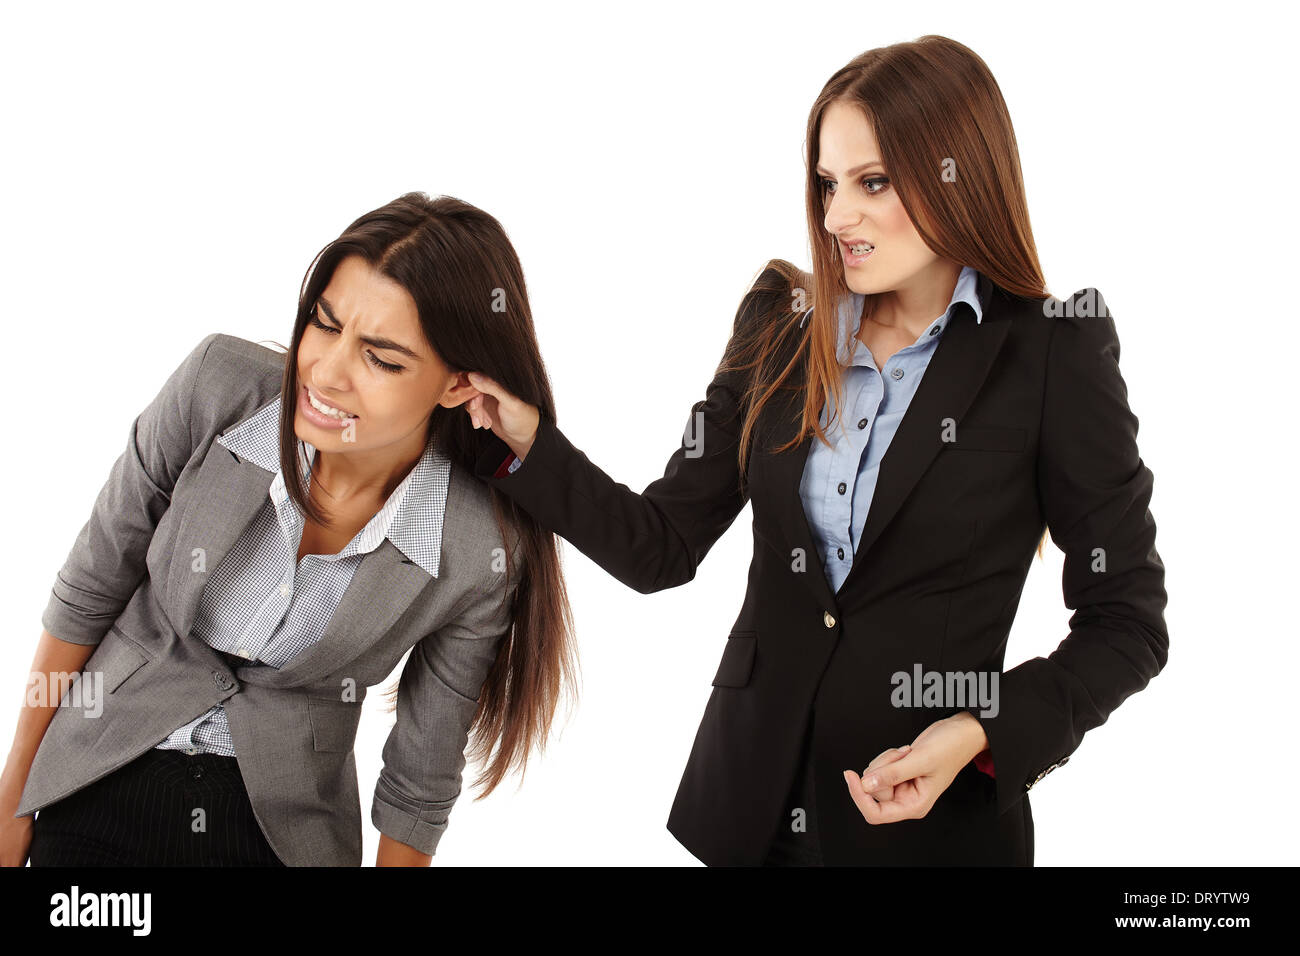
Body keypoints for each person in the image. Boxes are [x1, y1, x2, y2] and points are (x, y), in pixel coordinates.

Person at [461, 36, 1169, 866]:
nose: (836, 217)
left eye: (873, 183)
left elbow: (1128, 623)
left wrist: (981, 732)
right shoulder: (778, 326)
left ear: (962, 177)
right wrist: (526, 440)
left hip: (931, 830)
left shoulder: (1054, 352)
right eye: (828, 184)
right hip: (750, 810)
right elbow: (661, 544)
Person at [0, 192, 577, 867]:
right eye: (324, 325)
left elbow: (420, 777)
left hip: (280, 833)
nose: (326, 374)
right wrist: (14, 796)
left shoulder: (476, 549)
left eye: (381, 359)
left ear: (457, 385)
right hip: (100, 773)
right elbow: (89, 588)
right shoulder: (216, 389)